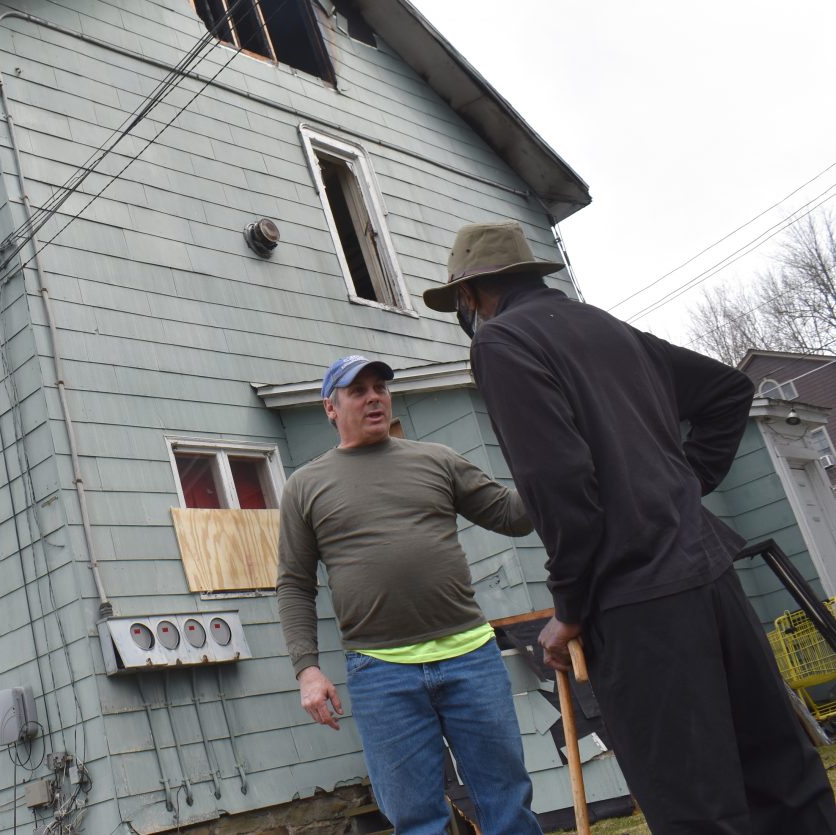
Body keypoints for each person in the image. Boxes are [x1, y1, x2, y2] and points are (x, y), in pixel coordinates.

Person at [424, 220, 836, 834]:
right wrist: (682, 486)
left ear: (469, 292)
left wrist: (569, 607)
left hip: (638, 603)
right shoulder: (606, 326)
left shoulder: (502, 343)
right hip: (711, 574)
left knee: (696, 806)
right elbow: (727, 391)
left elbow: (559, 481)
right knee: (785, 778)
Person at [276, 355, 544, 835]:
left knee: (507, 804)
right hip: (381, 671)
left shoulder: (437, 460)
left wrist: (550, 463)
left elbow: (511, 516)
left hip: (470, 657)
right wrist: (307, 669)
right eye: (358, 391)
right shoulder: (305, 486)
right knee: (416, 821)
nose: (374, 397)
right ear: (330, 408)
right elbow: (295, 583)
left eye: (380, 387)